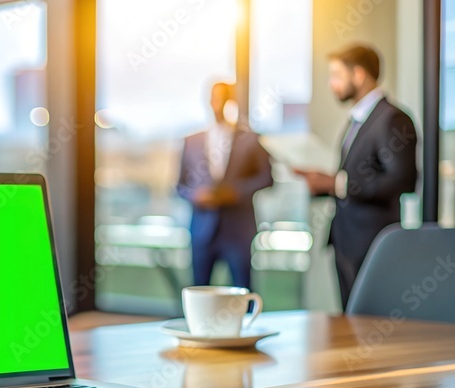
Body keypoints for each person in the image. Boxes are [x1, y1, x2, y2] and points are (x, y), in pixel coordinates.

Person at [293, 44, 418, 309]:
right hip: (346, 240)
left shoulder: (393, 119)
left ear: (359, 75)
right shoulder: (357, 120)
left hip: (372, 243)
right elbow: (359, 176)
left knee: (371, 322)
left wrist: (336, 183)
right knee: (351, 322)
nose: (331, 84)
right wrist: (324, 182)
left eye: (337, 75)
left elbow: (403, 180)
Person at [177, 82, 273, 290]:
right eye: (213, 98)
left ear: (231, 101)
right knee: (199, 293)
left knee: (241, 291)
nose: (217, 104)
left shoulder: (249, 139)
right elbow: (180, 186)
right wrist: (196, 196)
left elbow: (267, 178)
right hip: (202, 229)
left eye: (222, 98)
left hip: (238, 229)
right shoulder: (191, 141)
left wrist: (236, 193)